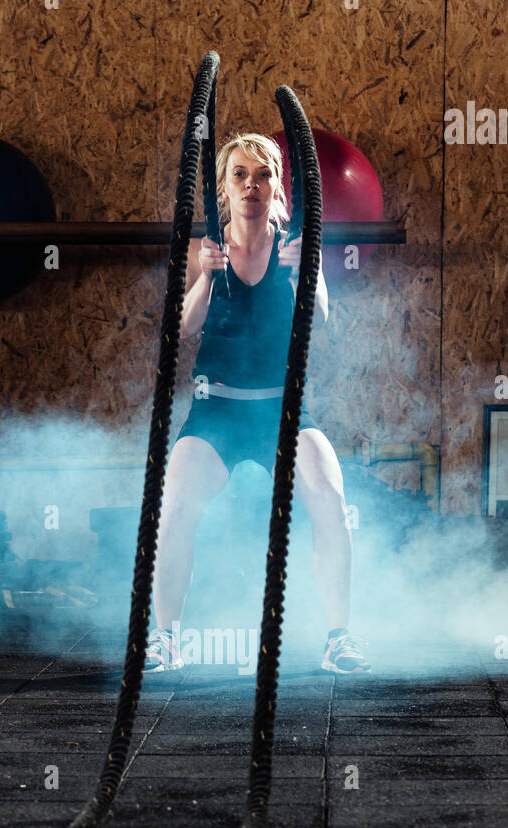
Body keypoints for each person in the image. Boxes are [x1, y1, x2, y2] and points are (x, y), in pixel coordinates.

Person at [145, 131, 369, 675]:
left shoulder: (296, 246)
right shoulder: (209, 248)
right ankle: (164, 640)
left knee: (330, 501)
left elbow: (322, 328)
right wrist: (206, 278)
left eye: (262, 175)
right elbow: (182, 329)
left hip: (282, 412)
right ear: (225, 187)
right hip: (216, 412)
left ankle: (339, 638)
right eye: (240, 175)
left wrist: (302, 277)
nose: (251, 185)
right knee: (172, 510)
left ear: (276, 186)